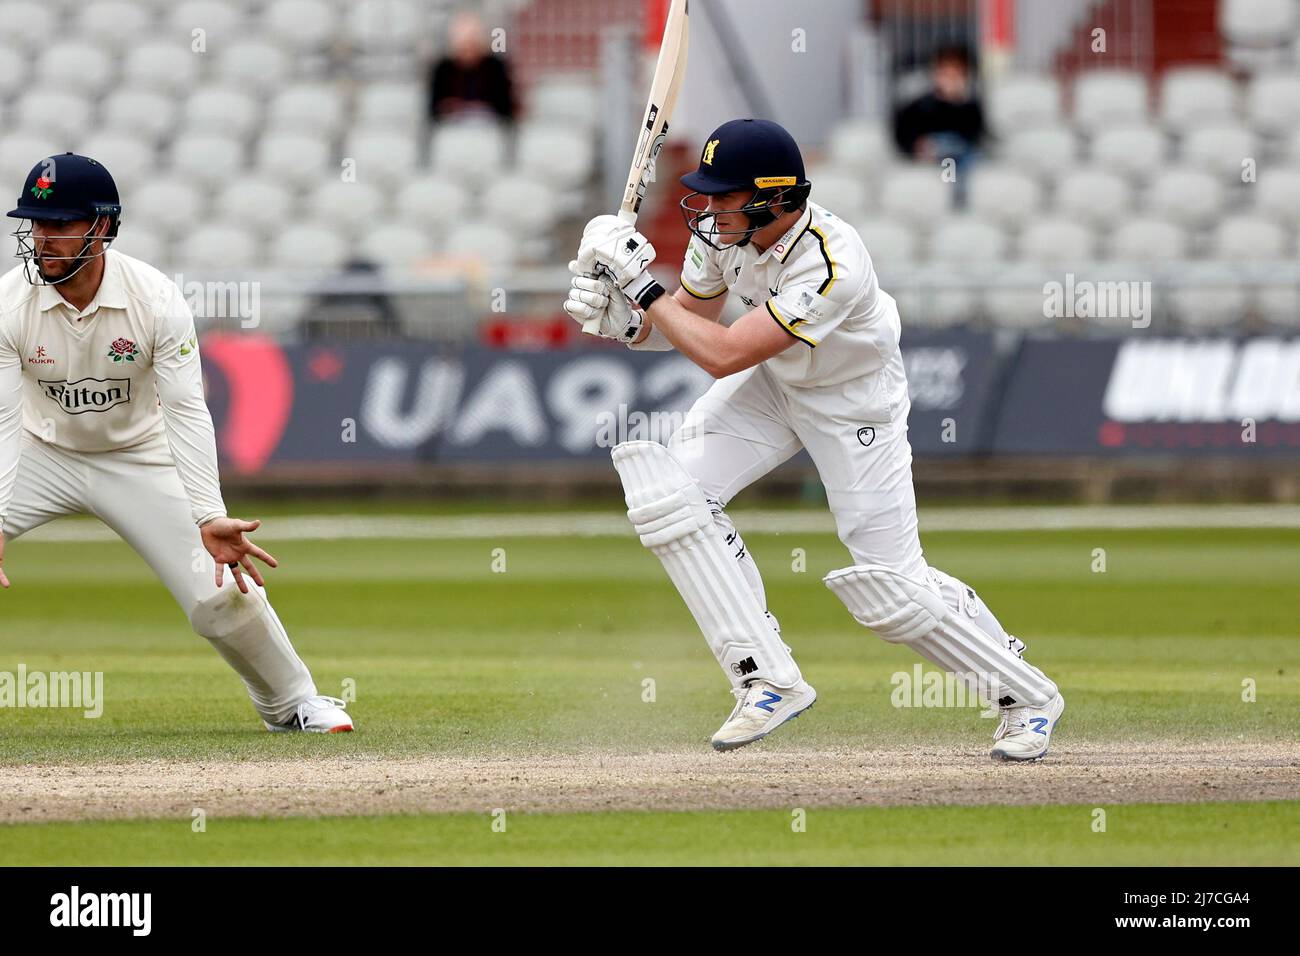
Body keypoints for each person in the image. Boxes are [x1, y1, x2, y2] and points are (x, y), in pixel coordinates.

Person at [564, 119, 1063, 758]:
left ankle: (1025, 696)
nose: (711, 208)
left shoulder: (832, 260)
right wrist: (628, 324)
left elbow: (722, 356)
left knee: (893, 590)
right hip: (777, 385)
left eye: (725, 195)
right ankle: (767, 679)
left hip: (853, 403)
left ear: (774, 198)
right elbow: (692, 323)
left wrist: (642, 285)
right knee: (669, 494)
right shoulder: (724, 237)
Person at [0, 153, 352, 733]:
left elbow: (188, 410)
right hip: (42, 449)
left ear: (104, 227)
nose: (44, 240)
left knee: (221, 597)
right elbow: (7, 418)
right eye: (36, 224)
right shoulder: (12, 303)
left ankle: (293, 705)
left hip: (139, 454)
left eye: (61, 225)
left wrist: (209, 512)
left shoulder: (155, 299)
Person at [892, 46, 986, 176]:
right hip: (928, 158)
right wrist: (918, 145)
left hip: (959, 157)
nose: (950, 80)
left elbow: (975, 136)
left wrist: (957, 102)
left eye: (956, 74)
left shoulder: (970, 106)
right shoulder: (920, 105)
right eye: (946, 73)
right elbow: (903, 133)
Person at [427, 11, 517, 123]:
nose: (468, 50)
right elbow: (432, 110)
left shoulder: (495, 68)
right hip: (451, 130)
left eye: (472, 44)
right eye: (464, 45)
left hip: (489, 129)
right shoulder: (443, 69)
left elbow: (506, 108)